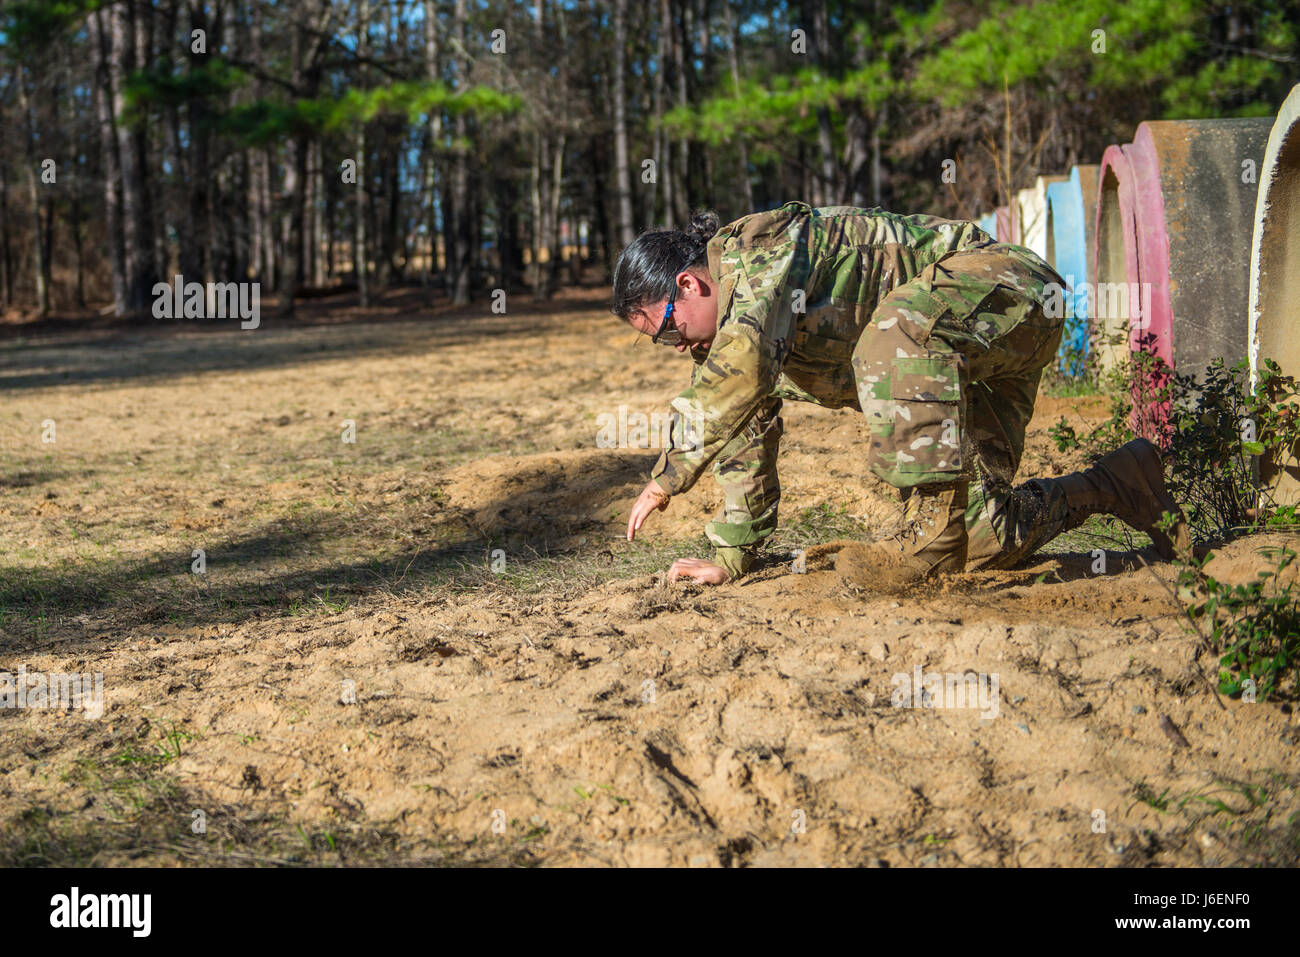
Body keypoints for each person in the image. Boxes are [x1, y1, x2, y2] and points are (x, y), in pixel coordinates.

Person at [612, 201, 1189, 586]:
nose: (678, 347)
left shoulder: (760, 255)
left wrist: (665, 479)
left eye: (668, 329)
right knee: (985, 543)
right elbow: (740, 419)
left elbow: (737, 376)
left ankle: (927, 545)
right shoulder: (741, 342)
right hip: (961, 362)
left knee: (891, 337)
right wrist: (732, 557)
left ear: (688, 284)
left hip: (1009, 292)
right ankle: (1119, 483)